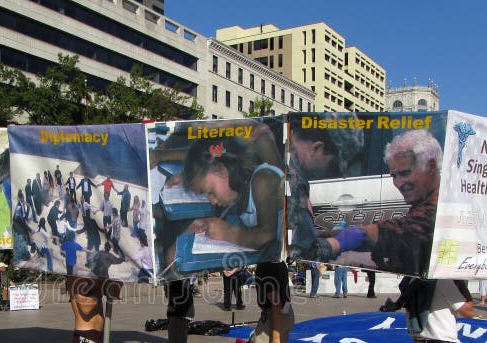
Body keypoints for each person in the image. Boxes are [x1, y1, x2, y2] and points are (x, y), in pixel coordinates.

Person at [307, 129, 442, 276]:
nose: (398, 183)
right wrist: (320, 235)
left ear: (431, 166)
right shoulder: (425, 202)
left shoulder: (435, 209)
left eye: (405, 173)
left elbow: (390, 233)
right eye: (394, 176)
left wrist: (334, 244)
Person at [181, 137, 284, 251]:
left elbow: (269, 237)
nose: (212, 201)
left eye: (210, 192)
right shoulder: (239, 191)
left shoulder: (263, 181)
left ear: (224, 168)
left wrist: (230, 234)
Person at [287, 116, 364, 255]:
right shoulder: (293, 183)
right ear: (317, 148)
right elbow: (299, 253)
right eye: (333, 166)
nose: (332, 175)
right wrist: (337, 244)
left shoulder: (279, 157)